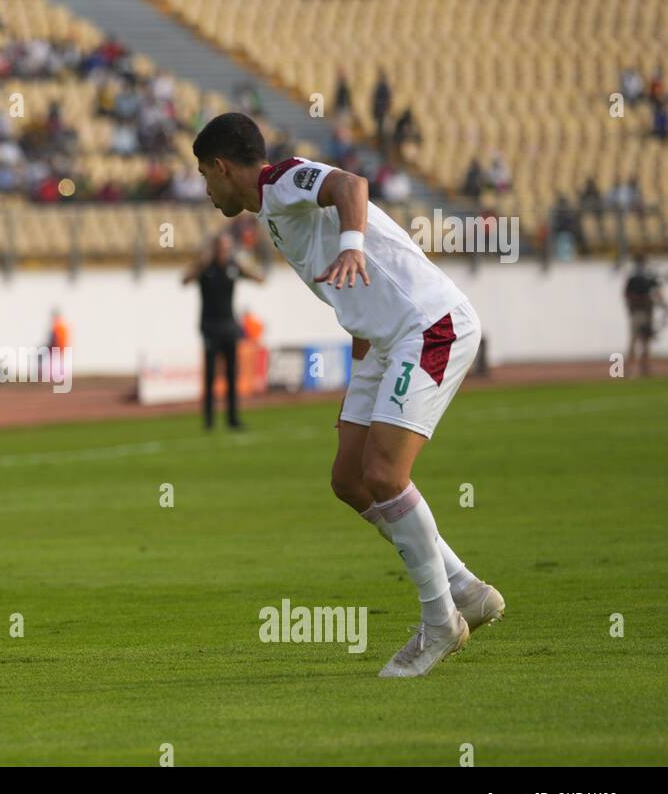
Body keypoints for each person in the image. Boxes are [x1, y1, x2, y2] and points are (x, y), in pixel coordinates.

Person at [193, 113, 504, 677]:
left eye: (204, 177)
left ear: (221, 167)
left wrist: (354, 245)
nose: (206, 192)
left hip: (431, 325)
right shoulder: (274, 212)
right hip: (380, 342)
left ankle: (440, 622)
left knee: (386, 474)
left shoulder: (281, 181)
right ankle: (464, 588)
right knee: (350, 479)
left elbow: (350, 186)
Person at [182, 231, 265, 429]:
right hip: (210, 327)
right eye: (221, 248)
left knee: (231, 375)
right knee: (210, 375)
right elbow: (184, 280)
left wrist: (243, 263)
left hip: (229, 327)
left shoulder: (233, 267)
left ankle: (232, 419)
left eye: (227, 248)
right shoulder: (206, 268)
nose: (224, 252)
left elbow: (260, 279)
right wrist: (201, 263)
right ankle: (209, 420)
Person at [624, 255, 664, 377]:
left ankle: (645, 368)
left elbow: (657, 291)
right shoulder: (633, 279)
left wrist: (661, 304)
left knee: (646, 339)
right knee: (635, 338)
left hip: (647, 310)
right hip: (638, 311)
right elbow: (627, 294)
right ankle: (629, 369)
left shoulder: (648, 277)